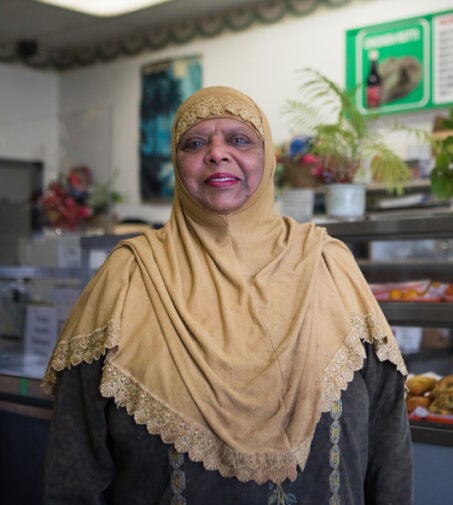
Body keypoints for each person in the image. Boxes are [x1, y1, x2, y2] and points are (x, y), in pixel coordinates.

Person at [42, 86, 414, 504]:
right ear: (177, 164)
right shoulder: (130, 274)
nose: (218, 153)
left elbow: (387, 426)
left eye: (239, 140)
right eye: (195, 143)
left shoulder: (326, 262)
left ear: (267, 159)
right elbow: (75, 456)